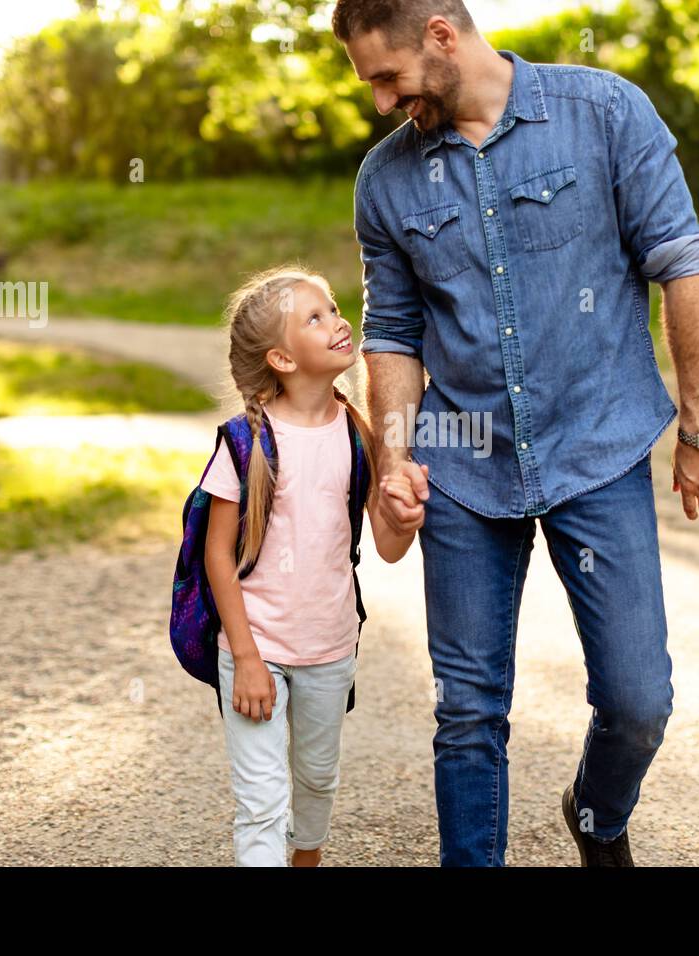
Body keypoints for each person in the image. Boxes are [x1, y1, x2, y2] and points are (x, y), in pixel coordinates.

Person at [332, 0, 699, 865]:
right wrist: (394, 462)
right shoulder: (387, 177)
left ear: (442, 35)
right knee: (469, 709)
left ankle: (596, 813)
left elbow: (683, 264)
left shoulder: (605, 112)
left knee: (638, 699)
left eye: (386, 78)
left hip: (598, 444)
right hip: (464, 464)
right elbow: (394, 331)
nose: (378, 102)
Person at [202, 264, 420, 866]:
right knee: (263, 803)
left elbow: (388, 545)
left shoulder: (359, 433)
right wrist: (245, 657)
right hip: (256, 649)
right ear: (282, 359)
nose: (338, 319)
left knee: (317, 782)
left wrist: (404, 518)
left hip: (330, 648)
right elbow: (217, 552)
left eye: (334, 307)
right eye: (315, 317)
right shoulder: (246, 441)